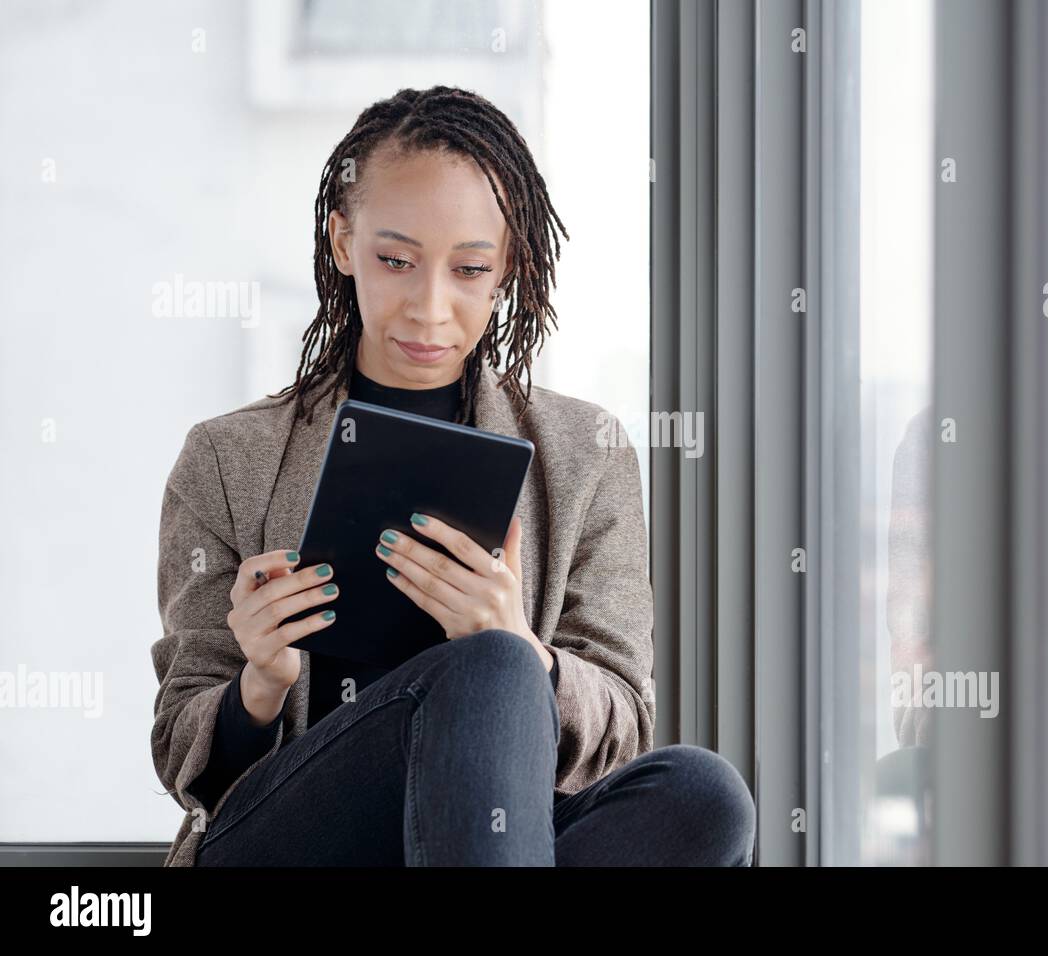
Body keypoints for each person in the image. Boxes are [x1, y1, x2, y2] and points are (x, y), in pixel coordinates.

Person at [150, 85, 755, 867]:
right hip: (294, 843)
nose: (429, 309)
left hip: (495, 838)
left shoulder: (587, 453)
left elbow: (622, 728)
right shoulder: (227, 461)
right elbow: (184, 757)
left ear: (507, 268)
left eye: (469, 269)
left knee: (703, 794)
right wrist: (259, 684)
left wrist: (518, 648)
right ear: (342, 243)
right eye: (395, 260)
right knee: (492, 669)